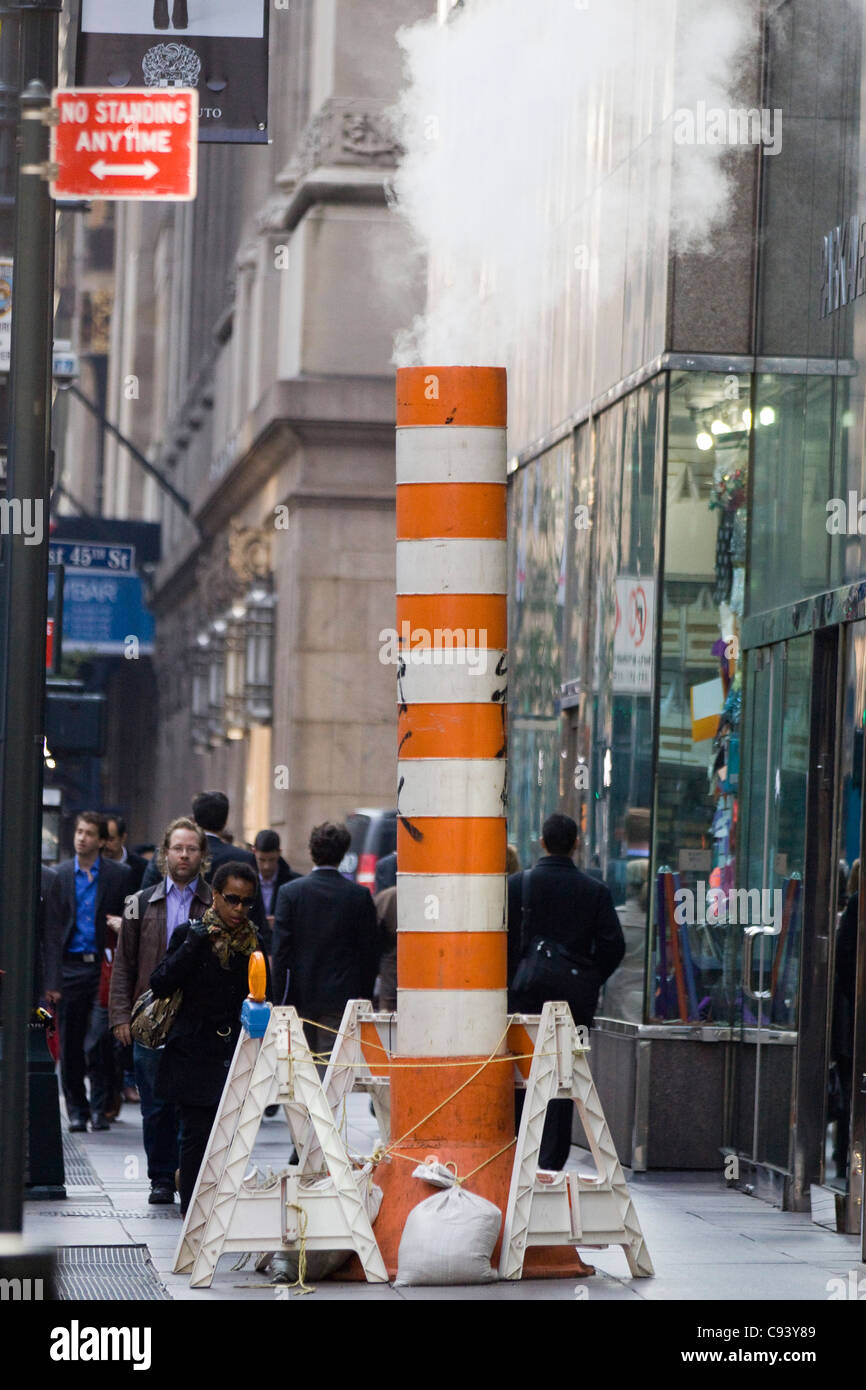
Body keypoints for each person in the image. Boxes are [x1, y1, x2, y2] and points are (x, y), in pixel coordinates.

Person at [150, 861, 270, 1216]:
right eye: (232, 899)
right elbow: (160, 982)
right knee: (196, 1137)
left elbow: (266, 996)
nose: (239, 909)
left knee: (231, 1139)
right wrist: (194, 943)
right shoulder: (192, 934)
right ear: (214, 895)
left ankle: (219, 1211)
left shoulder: (254, 942)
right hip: (194, 1052)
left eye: (247, 902)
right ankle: (192, 1214)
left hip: (235, 1053)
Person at [507, 813, 625, 1173]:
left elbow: (502, 940)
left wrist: (515, 977)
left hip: (524, 997)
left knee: (520, 1073)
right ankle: (551, 1156)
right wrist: (588, 977)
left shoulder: (517, 885)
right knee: (562, 1076)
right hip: (572, 1002)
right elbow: (613, 946)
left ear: (541, 842)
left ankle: (518, 1148)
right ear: (576, 844)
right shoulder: (595, 891)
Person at [109, 817, 212, 1204]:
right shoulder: (138, 904)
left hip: (196, 1020)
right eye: (177, 848)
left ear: (202, 856)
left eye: (191, 849)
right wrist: (120, 1016)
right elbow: (124, 964)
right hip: (150, 1019)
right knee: (154, 1106)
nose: (184, 855)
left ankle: (189, 1175)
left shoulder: (212, 902)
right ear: (164, 853)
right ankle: (161, 1178)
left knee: (189, 1104)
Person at [45, 812, 131, 1132]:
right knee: (69, 1042)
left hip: (103, 967)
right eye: (79, 832)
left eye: (89, 833)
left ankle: (99, 1108)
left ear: (101, 841)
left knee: (97, 1040)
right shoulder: (59, 875)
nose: (82, 838)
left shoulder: (119, 875)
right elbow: (52, 930)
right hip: (69, 967)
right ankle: (77, 1109)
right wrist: (51, 980)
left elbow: (130, 920)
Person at [272, 822, 379, 1067]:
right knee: (331, 1071)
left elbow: (280, 952)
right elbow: (368, 953)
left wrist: (280, 999)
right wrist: (362, 994)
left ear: (311, 850)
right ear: (343, 854)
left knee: (300, 1070)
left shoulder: (290, 893)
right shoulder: (359, 896)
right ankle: (326, 1108)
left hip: (298, 998)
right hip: (341, 998)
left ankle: (309, 1108)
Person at [140, 791, 267, 938]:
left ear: (194, 819)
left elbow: (146, 898)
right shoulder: (243, 858)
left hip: (168, 940)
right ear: (225, 821)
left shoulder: (167, 854)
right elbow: (255, 911)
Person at [600, 858, 648, 1023]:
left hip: (619, 992)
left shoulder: (617, 917)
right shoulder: (659, 921)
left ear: (628, 885)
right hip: (651, 996)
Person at [253, 829, 300, 935]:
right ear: (254, 851)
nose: (267, 866)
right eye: (262, 860)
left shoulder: (294, 882)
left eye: (271, 860)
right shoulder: (245, 881)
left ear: (279, 853)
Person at [103, 815, 148, 893]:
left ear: (123, 838)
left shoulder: (142, 867)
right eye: (103, 839)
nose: (105, 844)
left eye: (111, 839)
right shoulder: (93, 866)